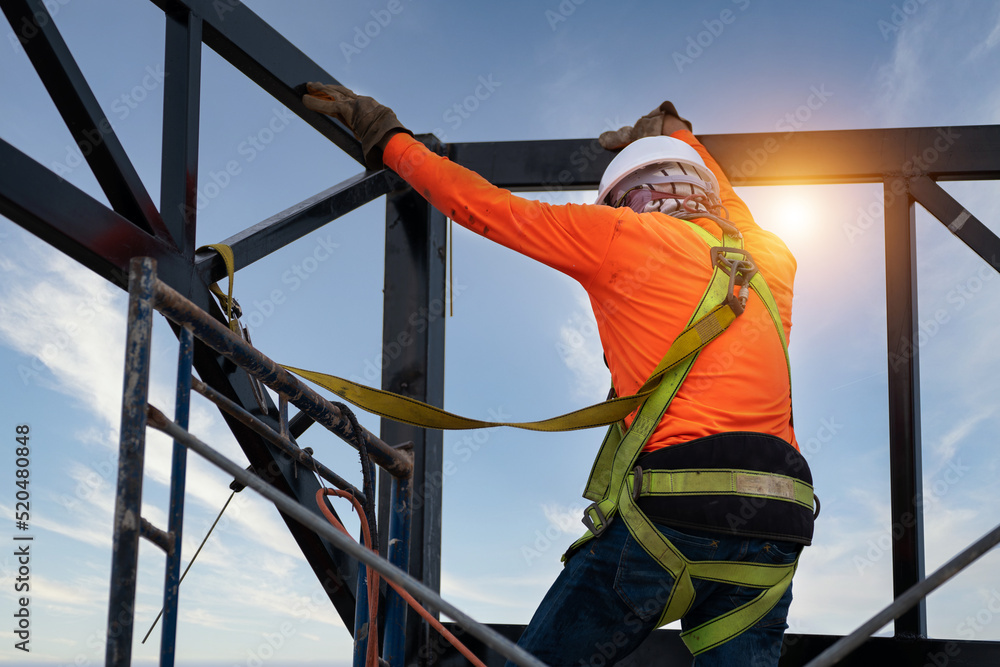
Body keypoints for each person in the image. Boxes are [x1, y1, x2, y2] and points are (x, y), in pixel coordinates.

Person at [302, 85, 816, 667]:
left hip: (674, 514)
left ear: (634, 198)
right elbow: (725, 198)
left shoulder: (620, 237)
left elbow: (483, 207)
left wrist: (388, 138)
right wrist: (675, 132)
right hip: (781, 522)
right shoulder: (770, 256)